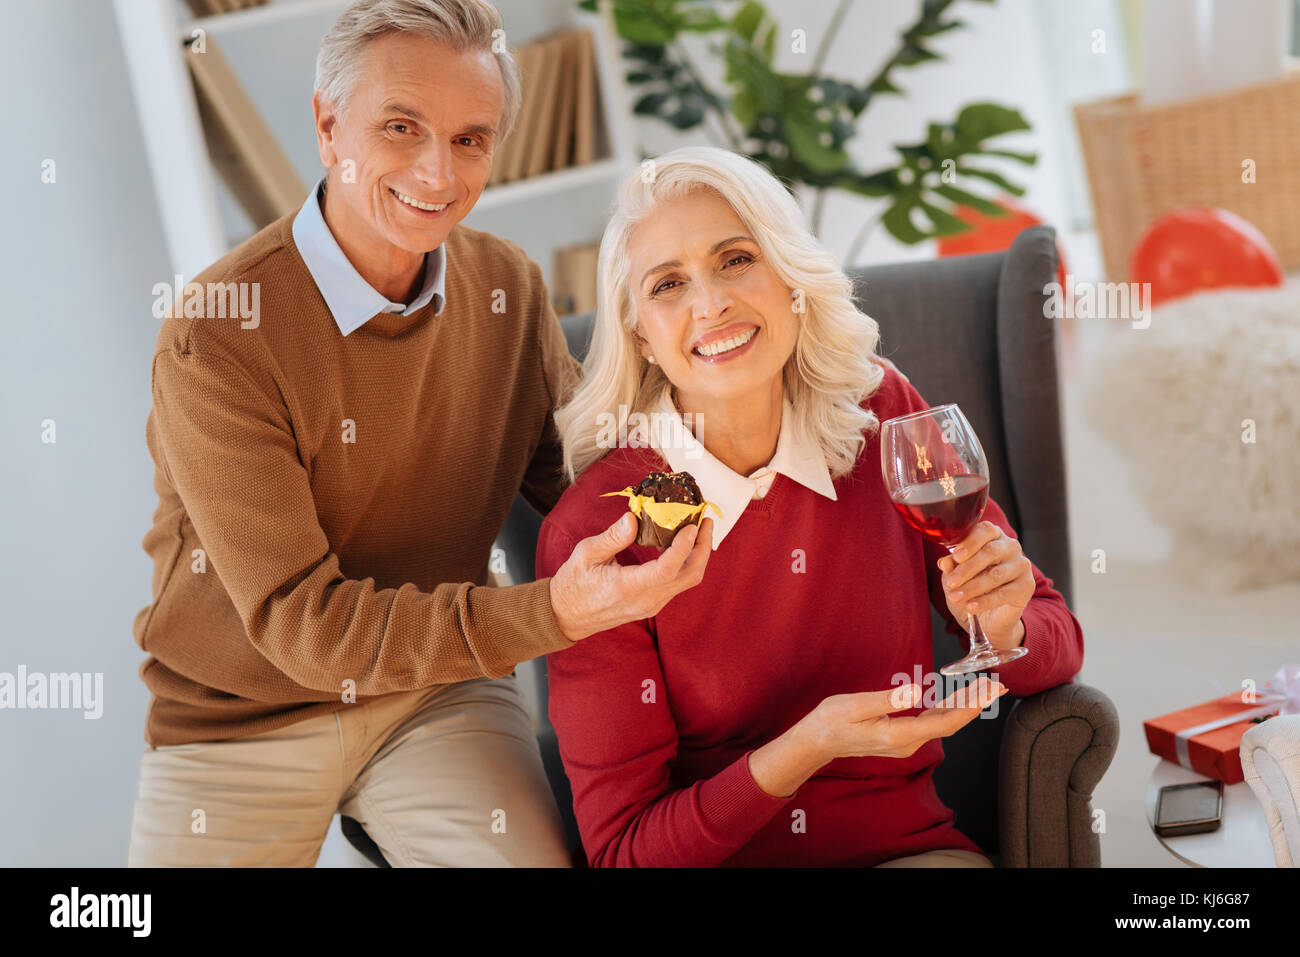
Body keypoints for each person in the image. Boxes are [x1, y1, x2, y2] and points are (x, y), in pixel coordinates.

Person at [126, 0, 710, 868]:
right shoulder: (218, 334)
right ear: (329, 127)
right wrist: (551, 611)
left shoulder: (506, 285)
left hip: (434, 696)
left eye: (471, 138)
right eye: (401, 128)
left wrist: (743, 457)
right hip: (237, 717)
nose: (439, 172)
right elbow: (304, 626)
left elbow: (588, 482)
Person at [534, 145, 1086, 867]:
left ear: (788, 272)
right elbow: (626, 851)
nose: (711, 303)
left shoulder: (884, 415)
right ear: (639, 331)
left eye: (736, 259)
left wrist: (1006, 624)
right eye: (668, 283)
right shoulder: (596, 530)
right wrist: (807, 746)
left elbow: (1058, 642)